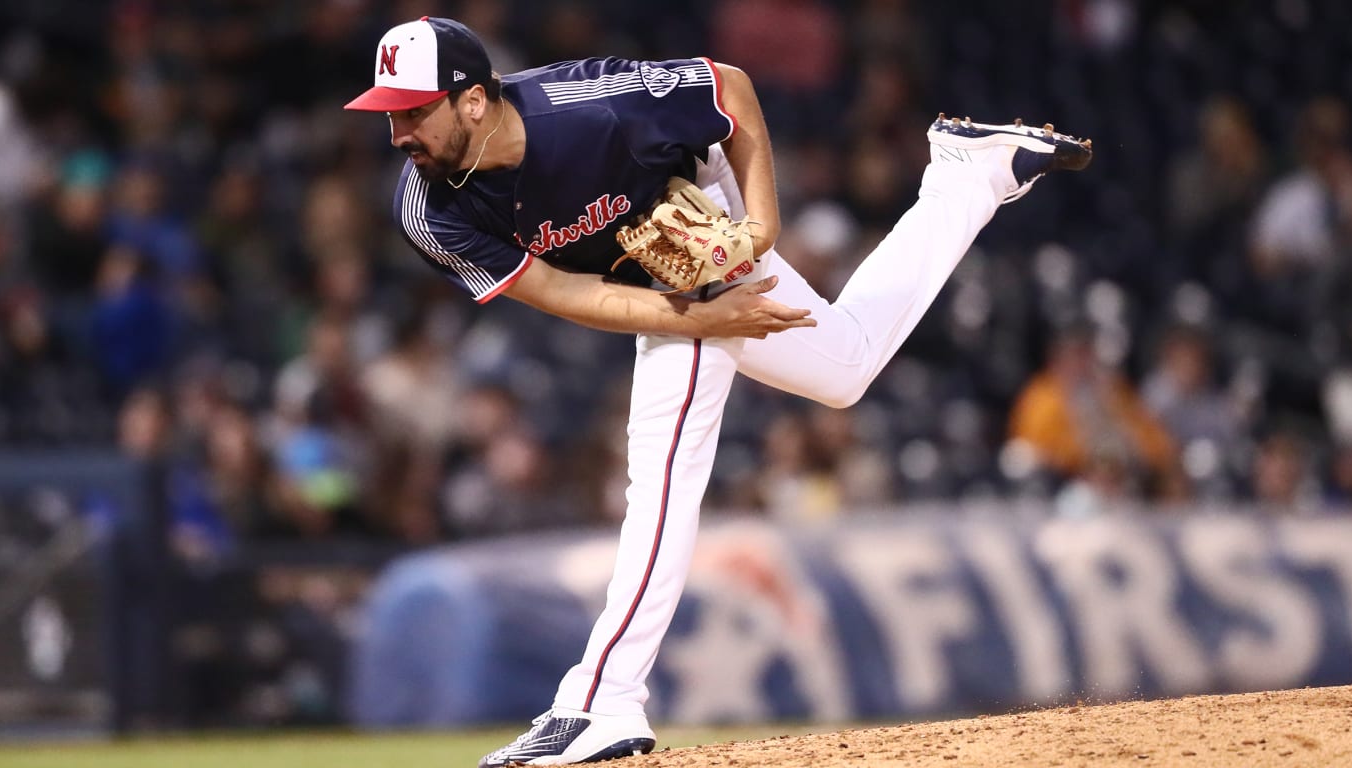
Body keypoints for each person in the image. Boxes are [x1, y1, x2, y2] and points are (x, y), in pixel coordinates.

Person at [343, 16, 1091, 767]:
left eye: (413, 110)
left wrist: (757, 235)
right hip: (648, 274)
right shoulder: (428, 208)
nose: (399, 130)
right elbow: (562, 292)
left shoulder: (592, 105)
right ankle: (972, 174)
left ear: (471, 101)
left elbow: (729, 86)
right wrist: (699, 315)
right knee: (847, 368)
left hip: (700, 207)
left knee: (663, 468)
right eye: (389, 113)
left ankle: (600, 701)